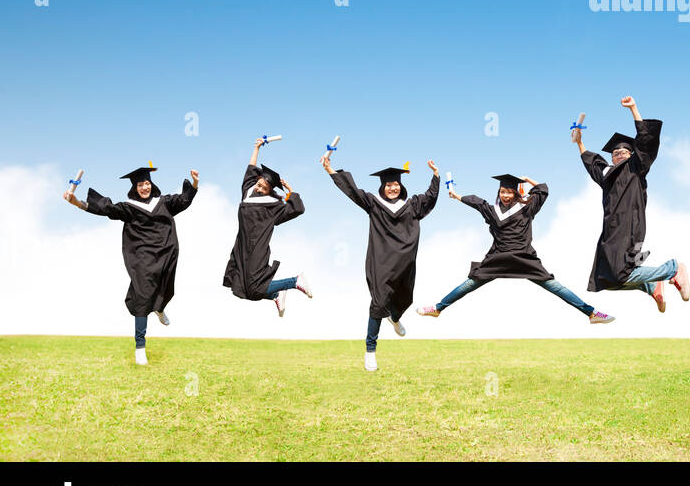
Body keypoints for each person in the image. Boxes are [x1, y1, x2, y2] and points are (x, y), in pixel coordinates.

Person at [417, 174, 614, 324]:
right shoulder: (492, 210)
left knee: (555, 287)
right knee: (469, 284)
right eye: (503, 192)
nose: (505, 195)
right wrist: (456, 195)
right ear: (499, 193)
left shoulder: (527, 207)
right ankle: (438, 308)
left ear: (515, 193)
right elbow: (476, 202)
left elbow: (542, 189)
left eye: (509, 192)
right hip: (498, 258)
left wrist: (526, 179)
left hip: (523, 258)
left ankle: (591, 313)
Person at [63, 162, 198, 365]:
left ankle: (160, 308)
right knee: (142, 297)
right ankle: (140, 347)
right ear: (134, 188)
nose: (144, 187)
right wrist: (76, 202)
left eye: (147, 183)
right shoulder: (129, 208)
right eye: (140, 185)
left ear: (151, 184)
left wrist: (195, 183)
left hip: (167, 252)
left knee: (167, 288)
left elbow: (184, 199)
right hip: (143, 258)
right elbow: (105, 209)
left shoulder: (164, 202)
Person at [323, 151, 440, 371]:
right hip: (381, 262)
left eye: (395, 184)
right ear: (382, 187)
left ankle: (395, 318)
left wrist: (435, 176)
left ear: (401, 186)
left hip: (405, 262)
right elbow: (352, 191)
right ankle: (370, 350)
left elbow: (430, 197)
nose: (392, 188)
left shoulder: (412, 205)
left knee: (405, 298)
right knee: (378, 303)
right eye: (388, 185)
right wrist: (331, 169)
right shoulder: (373, 203)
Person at [575, 96, 690, 308]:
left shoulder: (636, 167)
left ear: (632, 153)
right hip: (610, 231)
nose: (618, 154)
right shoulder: (607, 174)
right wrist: (580, 142)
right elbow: (593, 165)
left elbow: (646, 141)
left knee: (620, 273)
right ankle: (652, 287)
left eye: (623, 151)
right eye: (615, 153)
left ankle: (672, 269)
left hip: (630, 227)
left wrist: (634, 109)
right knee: (605, 278)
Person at [222, 137, 313, 318]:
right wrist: (256, 148)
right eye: (259, 183)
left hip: (257, 248)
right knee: (242, 288)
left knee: (254, 286)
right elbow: (250, 170)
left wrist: (289, 189)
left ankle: (295, 281)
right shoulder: (248, 192)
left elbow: (298, 208)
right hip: (240, 247)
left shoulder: (273, 206)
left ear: (270, 190)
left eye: (263, 187)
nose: (259, 187)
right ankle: (275, 294)